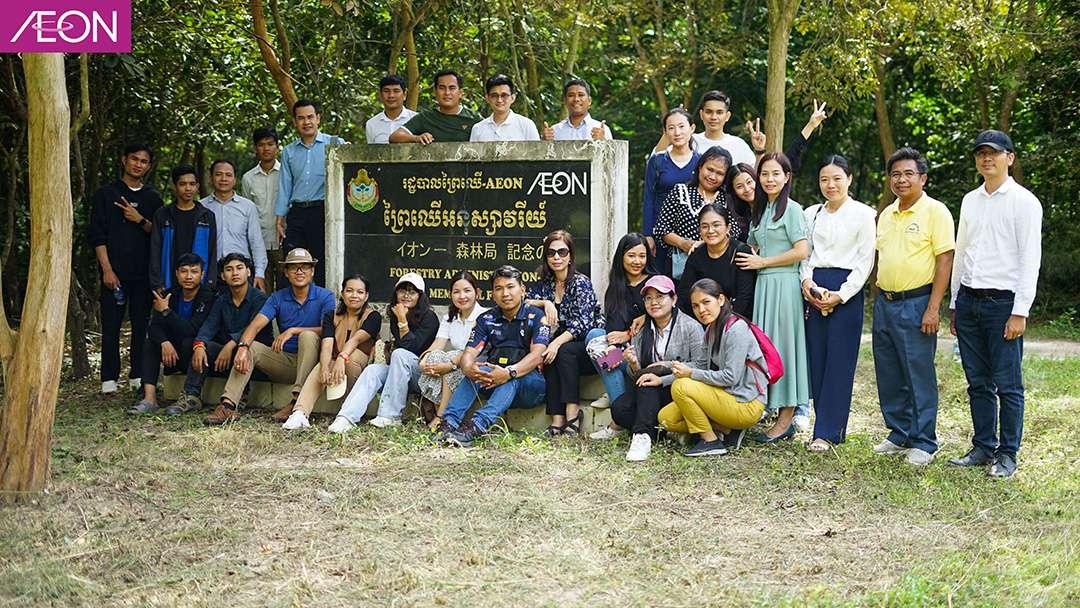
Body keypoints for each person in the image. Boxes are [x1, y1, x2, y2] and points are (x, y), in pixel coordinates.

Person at [947, 130, 1042, 479]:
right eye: (981, 153)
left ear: (1010, 158)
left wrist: (1020, 310)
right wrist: (956, 301)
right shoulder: (970, 200)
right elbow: (962, 252)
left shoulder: (1024, 202)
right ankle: (983, 447)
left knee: (1008, 384)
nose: (987, 158)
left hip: (1003, 304)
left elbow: (1030, 259)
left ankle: (1008, 454)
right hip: (969, 300)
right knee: (977, 381)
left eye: (995, 153)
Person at [872, 147, 955, 465]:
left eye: (908, 173)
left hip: (918, 302)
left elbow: (944, 259)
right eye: (895, 174)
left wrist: (934, 307)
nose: (901, 179)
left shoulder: (936, 212)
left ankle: (924, 440)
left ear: (922, 177)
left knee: (918, 373)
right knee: (889, 371)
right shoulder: (886, 214)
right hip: (886, 302)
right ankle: (899, 432)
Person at [202, 248, 335, 425]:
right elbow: (255, 325)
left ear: (312, 271)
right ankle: (228, 406)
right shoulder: (277, 297)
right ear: (286, 272)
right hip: (286, 362)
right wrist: (242, 347)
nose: (300, 272)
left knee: (308, 336)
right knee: (252, 347)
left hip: (314, 364)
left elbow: (328, 331)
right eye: (294, 268)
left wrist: (293, 330)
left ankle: (296, 403)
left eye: (304, 267)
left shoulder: (325, 296)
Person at [799, 155, 876, 451]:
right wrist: (807, 282)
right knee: (817, 358)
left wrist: (841, 294)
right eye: (824, 179)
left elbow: (865, 260)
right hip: (814, 286)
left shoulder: (864, 214)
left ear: (849, 179)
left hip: (848, 291)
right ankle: (821, 424)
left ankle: (828, 432)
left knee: (840, 362)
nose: (830, 185)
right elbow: (805, 253)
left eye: (836, 178)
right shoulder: (811, 213)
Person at [430, 265, 550, 447]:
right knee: (478, 369)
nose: (505, 293)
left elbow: (537, 356)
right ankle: (448, 423)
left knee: (510, 376)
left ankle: (477, 426)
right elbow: (469, 353)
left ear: (522, 290)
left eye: (510, 287)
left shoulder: (537, 316)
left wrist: (509, 372)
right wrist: (468, 367)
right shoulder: (486, 319)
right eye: (499, 289)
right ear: (493, 294)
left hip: (531, 385)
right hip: (494, 381)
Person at [736, 152, 810, 442]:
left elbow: (801, 251)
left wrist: (763, 262)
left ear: (787, 177)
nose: (769, 179)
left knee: (784, 349)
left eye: (776, 173)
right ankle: (769, 408)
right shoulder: (761, 209)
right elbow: (755, 244)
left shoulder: (791, 209)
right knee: (767, 350)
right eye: (764, 174)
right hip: (764, 287)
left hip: (784, 286)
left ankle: (787, 418)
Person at [658, 279, 769, 456]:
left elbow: (730, 377)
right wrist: (663, 378)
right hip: (726, 395)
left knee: (681, 387)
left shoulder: (736, 329)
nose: (701, 310)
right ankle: (727, 430)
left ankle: (710, 440)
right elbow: (699, 365)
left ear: (721, 300)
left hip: (746, 403)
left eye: (706, 302)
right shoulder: (711, 330)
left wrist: (691, 374)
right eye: (695, 306)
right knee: (665, 420)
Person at [88, 142, 165, 394]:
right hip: (115, 274)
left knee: (141, 326)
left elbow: (161, 234)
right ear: (124, 160)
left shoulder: (152, 198)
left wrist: (139, 219)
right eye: (134, 159)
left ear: (148, 166)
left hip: (143, 275)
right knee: (111, 325)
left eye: (143, 162)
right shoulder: (106, 194)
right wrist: (107, 270)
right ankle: (109, 379)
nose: (138, 165)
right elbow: (98, 235)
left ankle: (137, 375)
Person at [607, 276, 707, 461]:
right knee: (620, 409)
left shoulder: (690, 326)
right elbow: (637, 374)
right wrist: (634, 363)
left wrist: (665, 367)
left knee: (647, 383)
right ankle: (667, 432)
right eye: (649, 298)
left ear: (674, 299)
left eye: (660, 296)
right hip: (652, 392)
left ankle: (642, 436)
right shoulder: (642, 329)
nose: (654, 302)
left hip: (679, 388)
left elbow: (701, 365)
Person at [328, 272, 440, 431]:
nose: (406, 295)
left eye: (412, 292)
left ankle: (390, 416)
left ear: (420, 296)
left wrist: (403, 321)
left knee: (400, 354)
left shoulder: (430, 317)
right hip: (399, 375)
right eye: (402, 291)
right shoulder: (395, 315)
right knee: (373, 370)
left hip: (422, 376)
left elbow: (411, 348)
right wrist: (400, 319)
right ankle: (346, 417)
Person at [172, 253, 272, 416]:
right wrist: (199, 345)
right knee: (206, 347)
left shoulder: (259, 298)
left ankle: (240, 397)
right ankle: (191, 396)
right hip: (228, 360)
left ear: (248, 272)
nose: (235, 273)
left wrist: (230, 345)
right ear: (223, 276)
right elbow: (208, 327)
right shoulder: (221, 300)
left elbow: (252, 328)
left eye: (239, 268)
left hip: (256, 360)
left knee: (242, 350)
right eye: (229, 270)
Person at [282, 273, 382, 430]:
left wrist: (342, 357)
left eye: (360, 292)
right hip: (337, 360)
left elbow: (355, 340)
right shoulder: (331, 315)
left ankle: (346, 414)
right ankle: (300, 413)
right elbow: (327, 344)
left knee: (352, 356)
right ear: (342, 294)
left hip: (361, 363)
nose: (354, 295)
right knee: (324, 364)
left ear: (366, 296)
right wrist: (323, 367)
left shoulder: (373, 316)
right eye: (349, 290)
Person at [526, 230, 600, 436]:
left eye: (562, 252)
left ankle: (573, 413)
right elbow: (524, 303)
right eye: (551, 253)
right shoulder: (545, 284)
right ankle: (557, 417)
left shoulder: (580, 283)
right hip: (562, 349)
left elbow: (584, 324)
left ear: (571, 255)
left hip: (586, 349)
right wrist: (546, 302)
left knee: (562, 349)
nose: (556, 257)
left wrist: (556, 343)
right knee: (548, 353)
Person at [128, 254, 218, 414]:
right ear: (176, 274)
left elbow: (191, 330)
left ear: (202, 275)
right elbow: (154, 327)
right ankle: (150, 398)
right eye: (184, 271)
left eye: (194, 272)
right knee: (150, 343)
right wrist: (164, 342)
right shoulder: (169, 295)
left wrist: (166, 311)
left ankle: (189, 397)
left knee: (189, 341)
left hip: (197, 359)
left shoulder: (209, 297)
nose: (188, 276)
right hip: (172, 357)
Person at [585, 233, 658, 427]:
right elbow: (613, 332)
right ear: (621, 257)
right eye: (631, 255)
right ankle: (620, 408)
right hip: (624, 353)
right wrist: (617, 344)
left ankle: (618, 420)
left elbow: (666, 317)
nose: (637, 261)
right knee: (596, 339)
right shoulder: (616, 288)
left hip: (648, 353)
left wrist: (646, 316)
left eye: (642, 256)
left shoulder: (655, 283)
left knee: (608, 359)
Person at [276, 98, 347, 287]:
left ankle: (326, 313)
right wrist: (280, 219)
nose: (306, 122)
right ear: (294, 122)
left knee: (324, 267)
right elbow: (285, 186)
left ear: (318, 119)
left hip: (324, 214)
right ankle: (289, 312)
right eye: (301, 118)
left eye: (310, 117)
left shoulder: (335, 143)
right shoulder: (289, 151)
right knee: (292, 263)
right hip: (297, 214)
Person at [655, 147, 739, 281]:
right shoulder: (680, 191)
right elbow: (662, 228)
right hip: (682, 266)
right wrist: (683, 243)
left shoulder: (727, 199)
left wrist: (708, 242)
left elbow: (734, 230)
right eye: (709, 169)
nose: (712, 176)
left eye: (719, 173)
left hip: (717, 265)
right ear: (700, 166)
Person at [418, 271, 488, 430]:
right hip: (453, 364)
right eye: (456, 292)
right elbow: (438, 344)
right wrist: (423, 361)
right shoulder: (450, 318)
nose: (462, 296)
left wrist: (450, 365)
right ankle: (439, 414)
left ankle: (440, 416)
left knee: (451, 357)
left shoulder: (484, 316)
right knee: (434, 357)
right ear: (450, 295)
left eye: (467, 291)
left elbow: (473, 350)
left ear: (477, 293)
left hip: (474, 364)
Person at [644, 108, 701, 275]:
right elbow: (648, 197)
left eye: (682, 126)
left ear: (692, 129)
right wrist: (648, 235)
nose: (677, 132)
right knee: (661, 281)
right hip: (661, 234)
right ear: (665, 132)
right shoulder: (657, 160)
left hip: (692, 234)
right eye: (671, 128)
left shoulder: (701, 161)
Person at [676, 203, 755, 318]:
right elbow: (684, 293)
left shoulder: (741, 252)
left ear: (728, 228)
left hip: (737, 320)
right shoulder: (696, 256)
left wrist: (724, 325)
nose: (710, 231)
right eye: (704, 226)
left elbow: (744, 297)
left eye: (716, 225)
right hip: (705, 318)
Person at [200, 159, 268, 292]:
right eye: (219, 174)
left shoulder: (247, 206)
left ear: (235, 179)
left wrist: (259, 273)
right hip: (211, 270)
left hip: (241, 269)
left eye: (228, 175)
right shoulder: (201, 206)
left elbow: (257, 242)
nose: (223, 179)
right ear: (211, 178)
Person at [149, 165, 216, 292]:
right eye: (183, 184)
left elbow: (212, 252)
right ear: (174, 187)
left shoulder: (207, 216)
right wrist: (157, 283)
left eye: (192, 184)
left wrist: (209, 284)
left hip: (198, 284)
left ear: (197, 186)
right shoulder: (162, 214)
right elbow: (155, 250)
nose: (188, 188)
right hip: (169, 280)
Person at [651, 90, 756, 168]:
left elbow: (756, 174)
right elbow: (655, 160)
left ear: (727, 116)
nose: (713, 117)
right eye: (709, 112)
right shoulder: (690, 141)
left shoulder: (738, 145)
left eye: (719, 112)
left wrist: (760, 150)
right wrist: (672, 126)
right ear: (702, 114)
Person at [241, 126, 282, 293]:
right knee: (262, 292)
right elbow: (247, 213)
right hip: (259, 244)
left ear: (277, 146)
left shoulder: (286, 174)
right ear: (255, 148)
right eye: (261, 144)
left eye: (270, 144)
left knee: (285, 289)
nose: (266, 148)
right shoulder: (248, 178)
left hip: (283, 242)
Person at [389, 70, 482, 144]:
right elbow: (395, 136)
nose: (447, 93)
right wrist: (416, 138)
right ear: (435, 92)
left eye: (452, 88)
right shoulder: (426, 117)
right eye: (442, 88)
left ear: (460, 93)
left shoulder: (474, 118)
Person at [469, 74, 540, 142]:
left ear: (512, 98)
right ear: (487, 98)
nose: (499, 100)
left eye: (504, 95)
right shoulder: (478, 129)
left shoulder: (526, 125)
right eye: (494, 95)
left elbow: (536, 152)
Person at [542, 80, 612, 141]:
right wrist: (544, 142)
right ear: (565, 101)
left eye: (581, 95)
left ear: (589, 100)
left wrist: (604, 142)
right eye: (571, 95)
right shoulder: (554, 131)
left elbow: (612, 156)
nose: (576, 99)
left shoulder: (601, 130)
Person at [365, 74, 417, 144]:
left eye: (396, 91)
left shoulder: (416, 119)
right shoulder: (371, 124)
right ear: (380, 95)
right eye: (386, 91)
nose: (391, 96)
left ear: (404, 95)